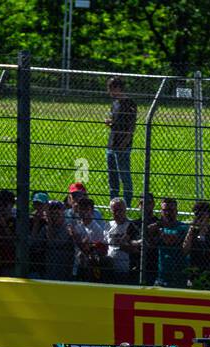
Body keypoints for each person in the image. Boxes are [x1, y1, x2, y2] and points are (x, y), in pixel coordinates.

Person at [103, 76, 136, 205]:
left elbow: (131, 126)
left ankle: (127, 203)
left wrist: (125, 141)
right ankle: (113, 202)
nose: (109, 91)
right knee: (112, 177)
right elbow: (116, 121)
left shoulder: (129, 103)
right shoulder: (115, 103)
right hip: (111, 144)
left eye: (110, 88)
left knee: (124, 176)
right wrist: (110, 122)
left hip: (122, 145)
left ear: (118, 88)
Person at [31, 199, 75, 280]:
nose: (54, 216)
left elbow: (53, 243)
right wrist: (36, 223)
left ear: (63, 213)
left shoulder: (67, 226)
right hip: (49, 269)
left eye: (57, 213)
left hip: (64, 270)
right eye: (52, 213)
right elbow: (34, 244)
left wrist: (49, 221)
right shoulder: (46, 227)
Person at [69, 195, 108, 280]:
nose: (83, 212)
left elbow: (89, 251)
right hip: (76, 266)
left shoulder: (96, 229)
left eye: (86, 209)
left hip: (90, 269)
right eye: (81, 209)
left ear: (92, 211)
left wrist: (75, 237)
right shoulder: (77, 225)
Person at [152, 197, 189, 288]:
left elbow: (171, 240)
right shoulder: (159, 226)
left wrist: (159, 230)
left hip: (179, 276)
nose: (168, 213)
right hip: (162, 275)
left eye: (171, 210)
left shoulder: (182, 227)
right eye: (165, 210)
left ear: (176, 211)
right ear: (161, 212)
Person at [183, 200, 210, 289]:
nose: (200, 217)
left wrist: (202, 234)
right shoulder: (192, 232)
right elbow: (185, 251)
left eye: (202, 214)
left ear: (208, 216)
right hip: (194, 273)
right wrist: (191, 230)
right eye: (197, 215)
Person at [106, 197, 140, 282]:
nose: (118, 213)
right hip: (110, 269)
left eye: (120, 210)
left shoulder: (132, 225)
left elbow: (137, 248)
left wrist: (126, 246)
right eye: (115, 210)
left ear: (125, 210)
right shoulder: (108, 225)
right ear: (111, 211)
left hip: (127, 270)